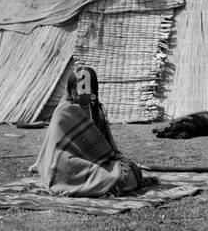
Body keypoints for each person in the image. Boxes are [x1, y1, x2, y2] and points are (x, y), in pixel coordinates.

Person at [30, 66, 149, 197]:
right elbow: (58, 151)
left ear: (94, 89)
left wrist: (117, 158)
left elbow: (106, 142)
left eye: (85, 87)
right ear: (70, 89)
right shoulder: (65, 111)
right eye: (77, 87)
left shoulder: (96, 109)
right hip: (65, 164)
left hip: (94, 161)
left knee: (131, 172)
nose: (81, 92)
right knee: (113, 180)